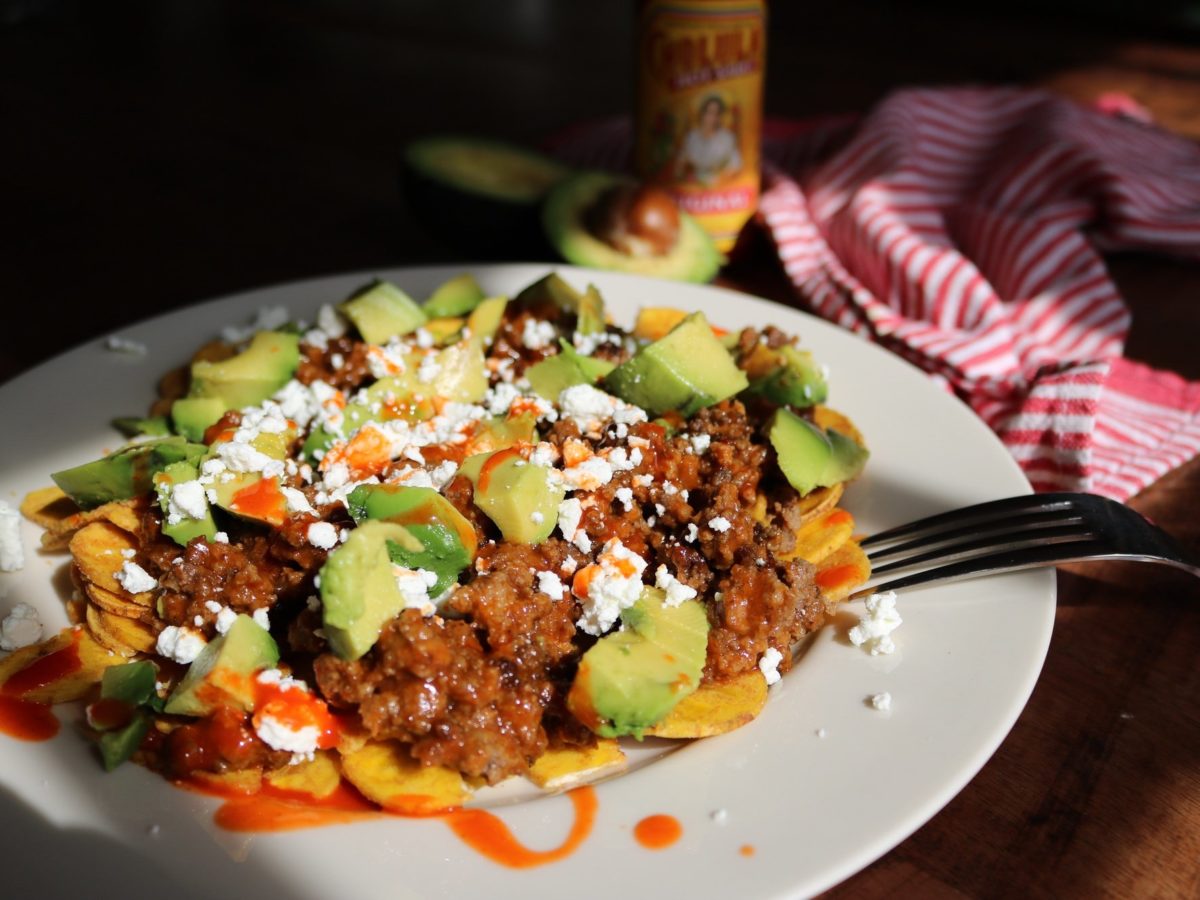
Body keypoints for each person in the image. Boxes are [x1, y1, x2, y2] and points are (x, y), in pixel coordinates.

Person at [674, 95, 742, 185]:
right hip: (692, 185)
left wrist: (721, 178)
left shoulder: (727, 138)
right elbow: (680, 163)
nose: (713, 118)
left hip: (719, 186)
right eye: (709, 112)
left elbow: (736, 164)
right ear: (702, 114)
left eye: (717, 114)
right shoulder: (691, 137)